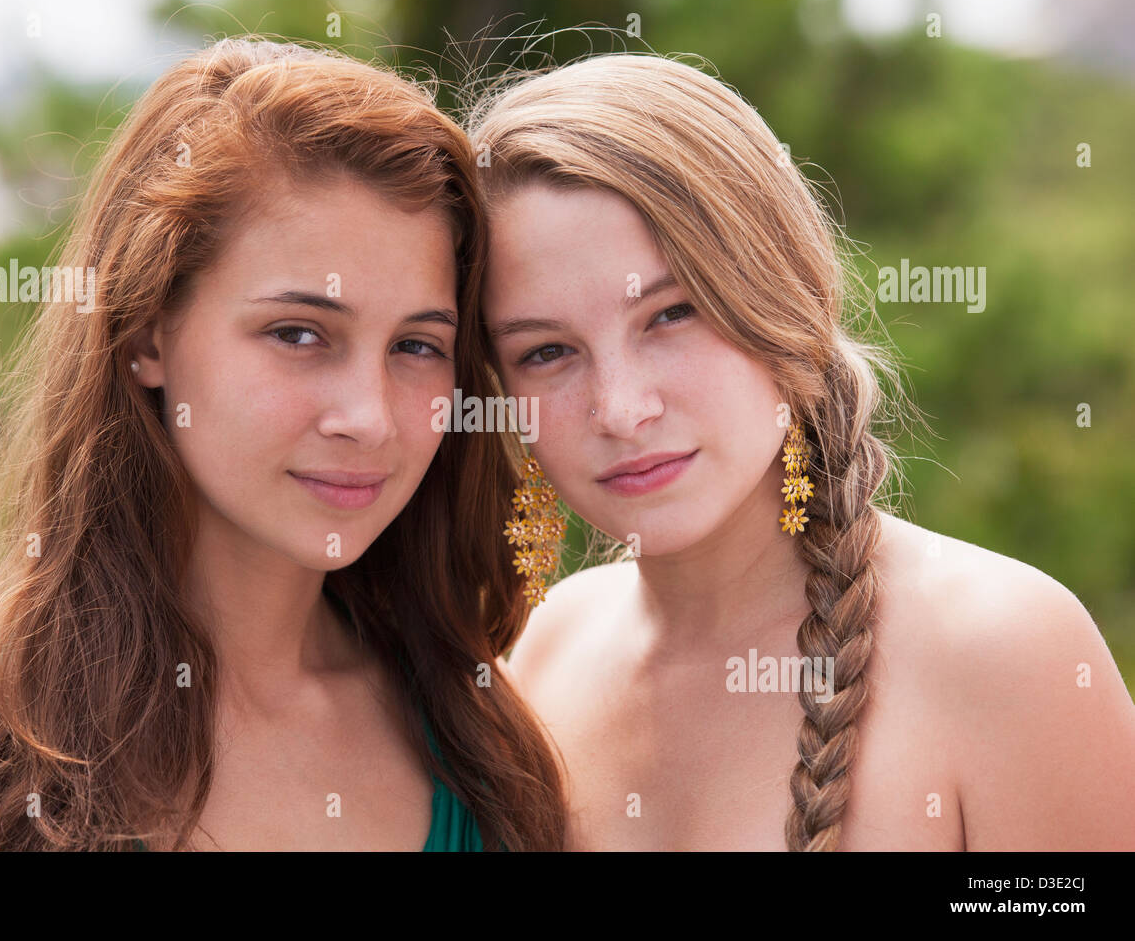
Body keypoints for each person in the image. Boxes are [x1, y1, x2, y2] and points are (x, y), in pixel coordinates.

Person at [0, 38, 564, 851]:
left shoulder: (481, 742)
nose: (370, 417)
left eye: (416, 346)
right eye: (298, 333)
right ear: (146, 332)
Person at [467, 52, 1135, 850]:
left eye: (672, 315)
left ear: (782, 296)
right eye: (546, 352)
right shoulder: (539, 655)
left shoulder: (1003, 649)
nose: (620, 408)